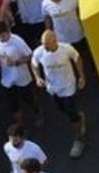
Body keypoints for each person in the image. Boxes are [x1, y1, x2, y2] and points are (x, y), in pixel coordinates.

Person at [30, 30, 88, 158]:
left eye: (47, 44)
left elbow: (77, 58)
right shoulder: (39, 52)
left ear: (54, 41)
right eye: (43, 44)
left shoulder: (66, 49)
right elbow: (34, 63)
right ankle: (79, 117)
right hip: (52, 88)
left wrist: (81, 76)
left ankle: (79, 138)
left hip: (68, 87)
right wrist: (37, 77)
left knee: (71, 113)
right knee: (62, 109)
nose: (44, 47)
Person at [0, 21, 41, 127]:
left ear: (8, 31)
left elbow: (29, 56)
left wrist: (16, 62)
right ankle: (19, 125)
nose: (1, 39)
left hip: (22, 77)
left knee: (29, 99)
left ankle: (38, 113)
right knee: (13, 103)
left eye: (3, 36)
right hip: (7, 78)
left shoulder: (17, 41)